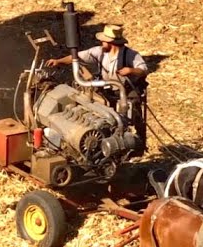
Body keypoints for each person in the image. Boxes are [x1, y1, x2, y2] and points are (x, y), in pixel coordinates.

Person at [47, 24, 150, 154]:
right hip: (107, 89)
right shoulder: (99, 51)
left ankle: (137, 146)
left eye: (104, 41)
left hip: (127, 91)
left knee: (133, 116)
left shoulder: (130, 55)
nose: (101, 43)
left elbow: (144, 70)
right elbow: (77, 57)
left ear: (111, 42)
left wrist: (130, 70)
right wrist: (58, 61)